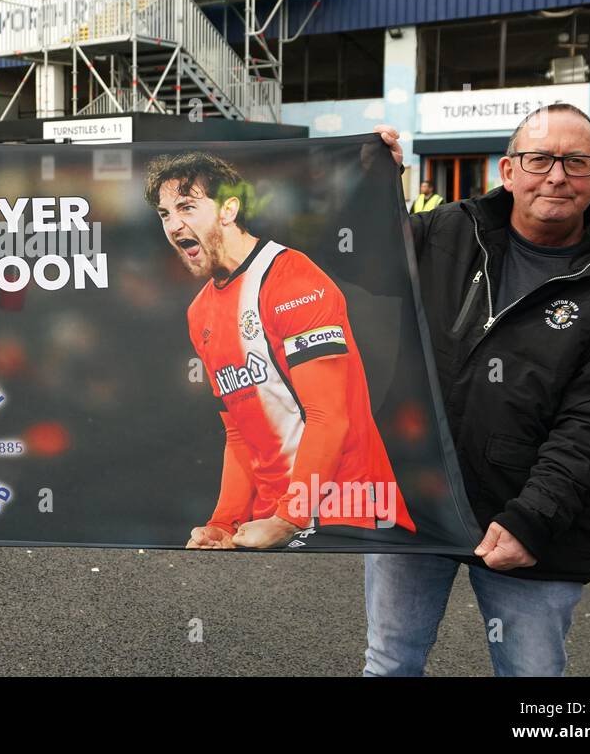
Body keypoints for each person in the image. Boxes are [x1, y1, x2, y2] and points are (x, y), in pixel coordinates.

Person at [367, 105, 590, 676]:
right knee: (389, 664)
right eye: (539, 159)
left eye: (575, 162)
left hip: (533, 522)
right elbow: (352, 252)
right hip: (415, 505)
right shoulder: (449, 230)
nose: (556, 175)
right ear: (508, 170)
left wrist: (532, 518)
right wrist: (370, 182)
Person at [144, 151, 415, 550]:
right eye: (165, 214)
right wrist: (224, 521)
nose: (173, 224)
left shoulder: (293, 279)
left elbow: (330, 417)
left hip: (344, 512)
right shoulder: (199, 310)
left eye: (187, 206)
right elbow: (240, 432)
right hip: (275, 518)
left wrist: (291, 517)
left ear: (228, 209)